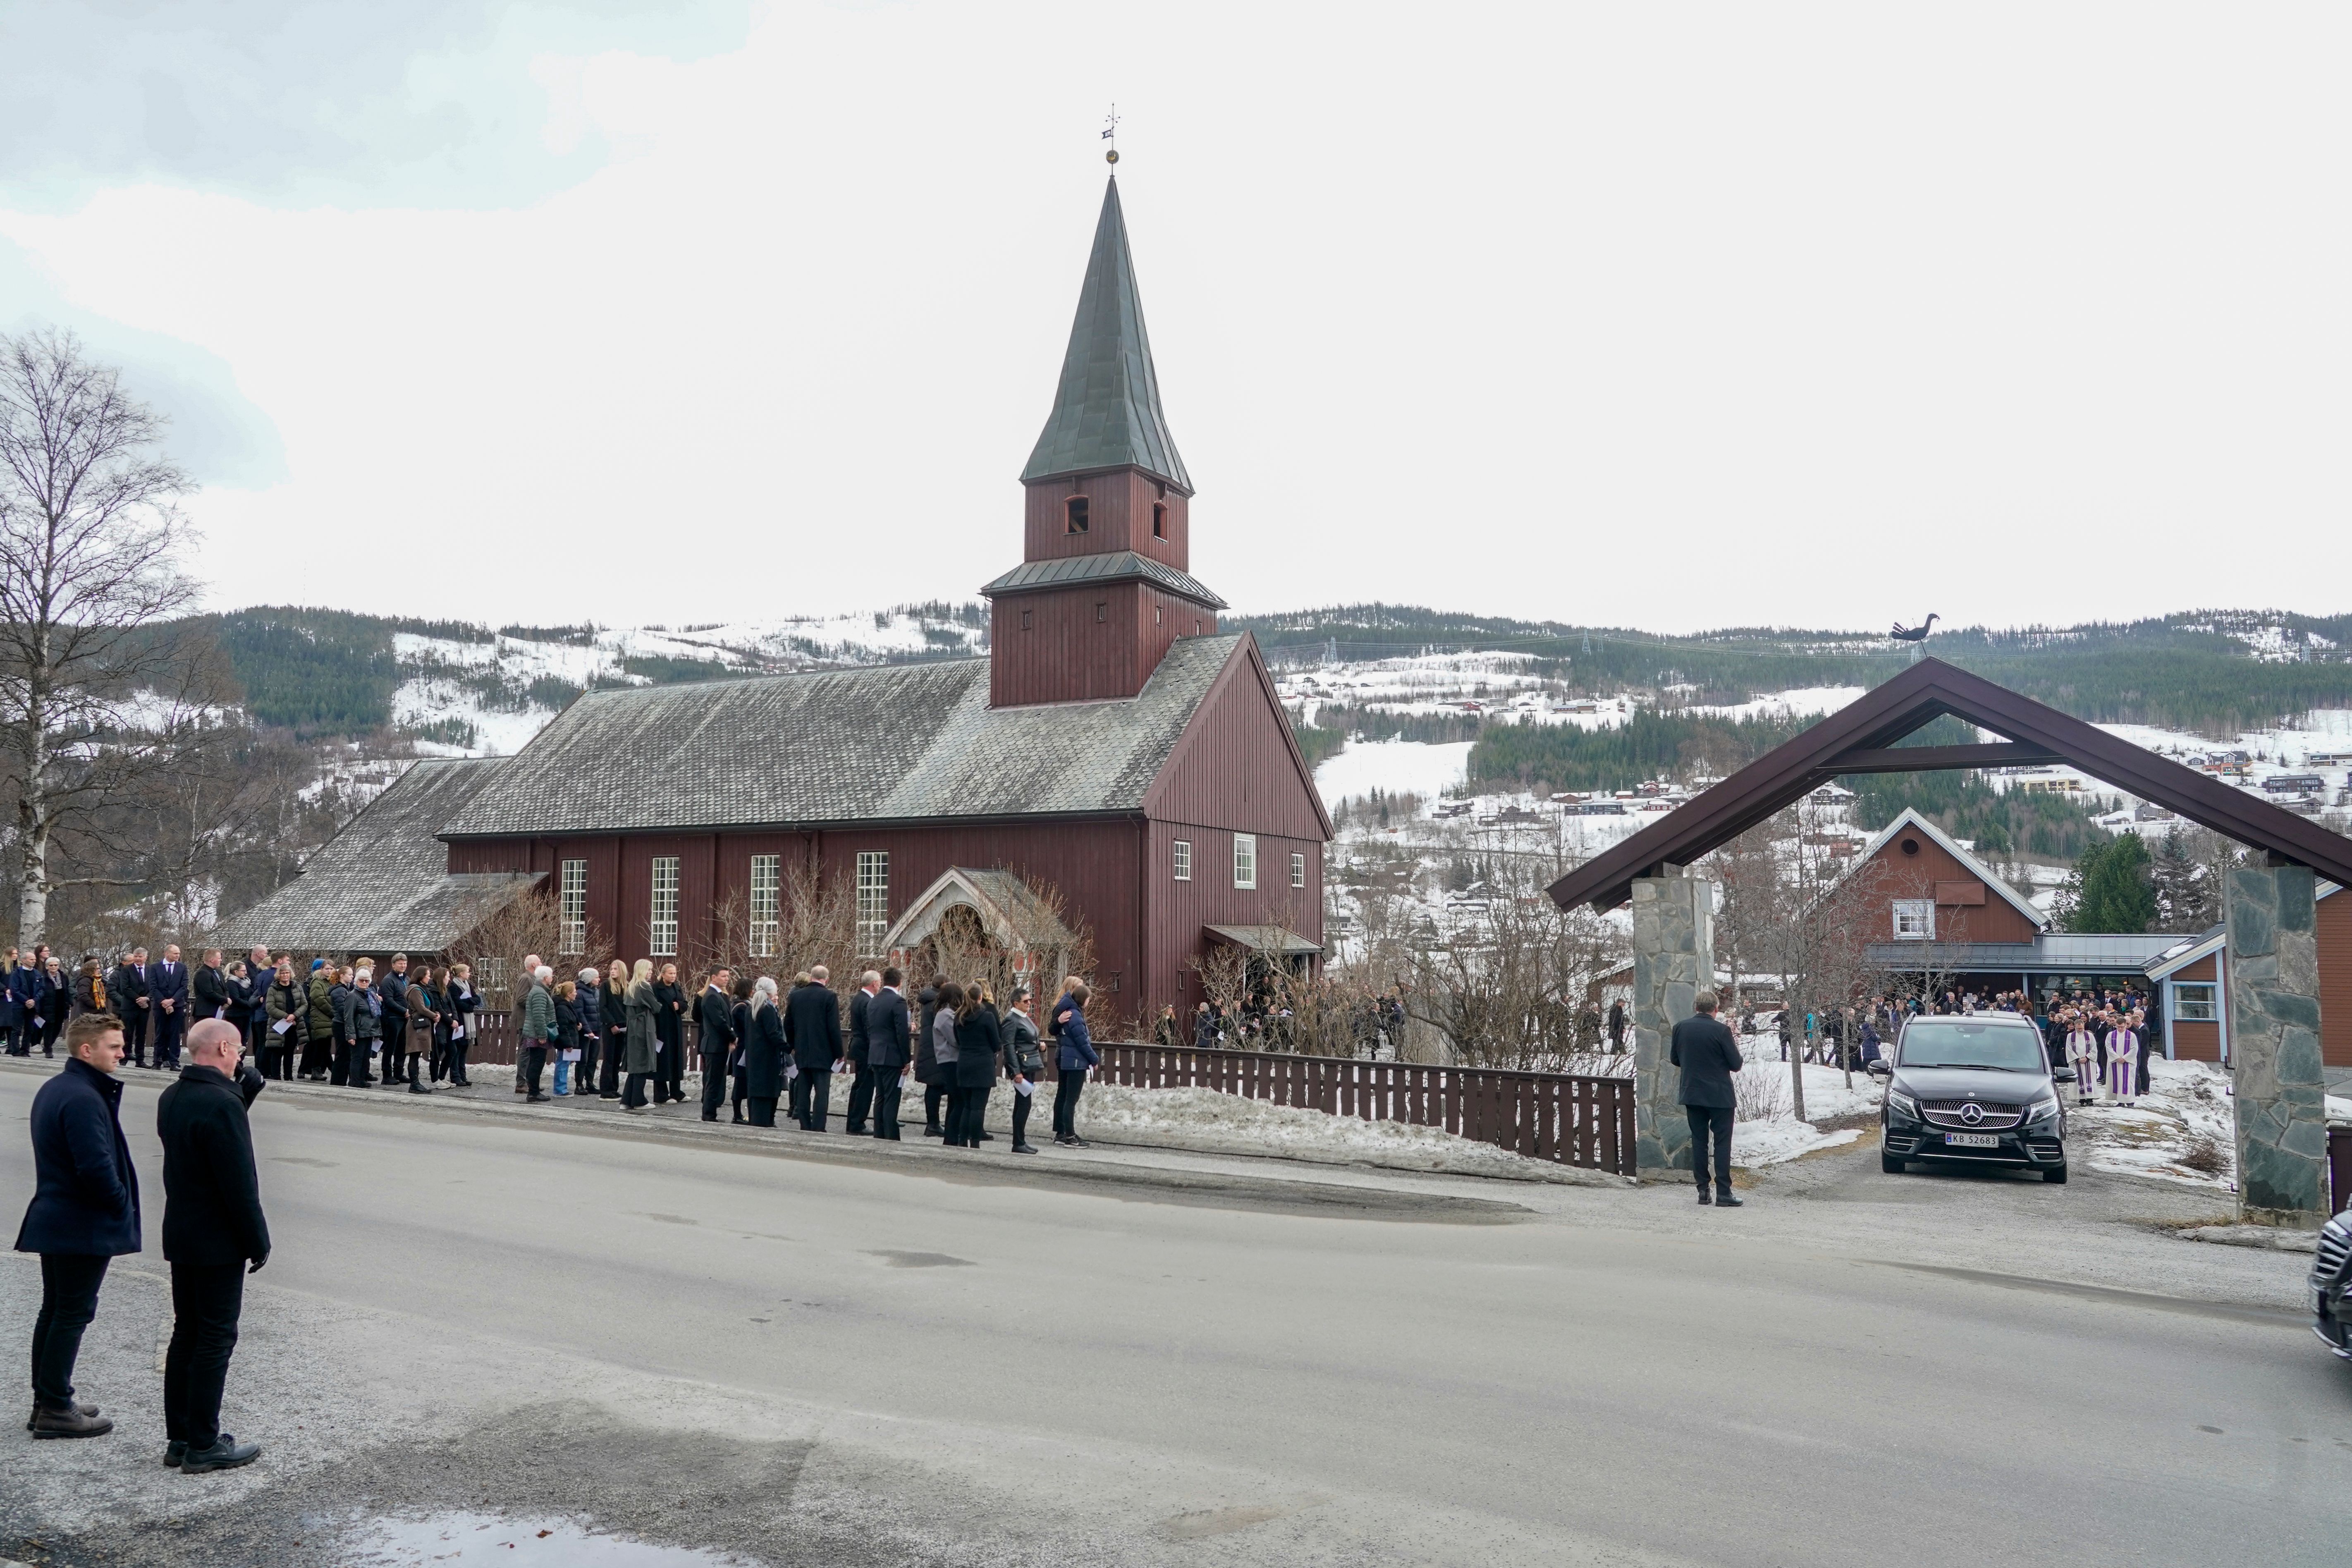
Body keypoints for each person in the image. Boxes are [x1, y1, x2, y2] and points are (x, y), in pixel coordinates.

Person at [15, 1011, 141, 1439]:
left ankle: (49, 1399)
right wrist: (120, 1202)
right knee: (70, 1313)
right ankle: (54, 1408)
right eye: (114, 1047)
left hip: (62, 1219)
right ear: (86, 1049)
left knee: (56, 1311)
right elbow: (94, 1167)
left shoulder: (61, 1087)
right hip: (80, 1224)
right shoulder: (84, 1096)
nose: (122, 1054)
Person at [156, 1018, 268, 1473]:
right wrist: (258, 1240)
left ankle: (180, 1438)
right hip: (217, 1239)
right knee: (215, 1338)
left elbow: (208, 1135)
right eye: (238, 1050)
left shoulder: (174, 1095)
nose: (241, 1057)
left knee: (187, 1333)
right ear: (223, 1047)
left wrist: (244, 1093)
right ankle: (204, 1443)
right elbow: (238, 1181)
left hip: (182, 1230)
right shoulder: (222, 1103)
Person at [1671, 990, 1743, 1208]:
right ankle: (1724, 1192)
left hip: (1692, 1092)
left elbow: (1675, 1059)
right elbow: (1736, 1064)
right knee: (1722, 1144)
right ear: (1716, 1009)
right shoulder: (1721, 1031)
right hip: (1719, 1095)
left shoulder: (1680, 1028)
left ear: (1696, 1008)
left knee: (1699, 1142)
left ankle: (1703, 1191)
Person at [787, 967, 842, 1131]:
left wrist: (791, 1045)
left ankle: (804, 1124)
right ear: (827, 979)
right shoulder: (829, 997)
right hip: (823, 1052)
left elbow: (788, 1024)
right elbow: (834, 1027)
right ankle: (819, 1126)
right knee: (822, 1092)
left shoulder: (796, 996)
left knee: (803, 1090)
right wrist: (839, 1052)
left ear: (811, 977)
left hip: (802, 1050)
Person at [949, 982, 1001, 1148]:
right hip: (983, 1064)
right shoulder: (987, 1017)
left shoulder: (959, 1017)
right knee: (979, 1107)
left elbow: (957, 1041)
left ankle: (962, 1140)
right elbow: (996, 1044)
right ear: (981, 997)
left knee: (967, 1106)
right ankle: (976, 1142)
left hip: (964, 1062)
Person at [867, 968, 910, 1140]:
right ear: (900, 982)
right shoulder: (898, 1002)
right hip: (892, 1056)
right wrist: (907, 1059)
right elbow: (902, 1032)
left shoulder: (873, 1001)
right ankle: (891, 1135)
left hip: (875, 1053)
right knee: (892, 1097)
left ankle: (879, 1133)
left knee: (880, 1097)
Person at [1052, 984, 1097, 1148]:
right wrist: (1094, 1059)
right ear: (1083, 999)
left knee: (1066, 1098)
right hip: (1076, 1063)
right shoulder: (1076, 1016)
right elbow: (1082, 1042)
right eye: (1088, 999)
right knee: (1071, 1100)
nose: (1089, 1002)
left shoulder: (1069, 1012)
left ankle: (1064, 1133)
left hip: (1067, 1060)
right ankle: (1070, 1136)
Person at [1001, 984, 1043, 1154]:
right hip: (1021, 1066)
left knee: (1024, 1103)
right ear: (1016, 1003)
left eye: (1030, 1000)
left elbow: (1027, 1038)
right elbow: (1009, 1046)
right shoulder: (1012, 1019)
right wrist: (1016, 1071)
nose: (1029, 1003)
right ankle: (1018, 1142)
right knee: (1023, 1104)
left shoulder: (1024, 1017)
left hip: (1029, 1063)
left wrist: (1039, 1046)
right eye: (1025, 1001)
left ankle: (1021, 1141)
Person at [741, 977, 786, 1126]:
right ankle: (766, 1121)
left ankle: (757, 1119)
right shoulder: (768, 1009)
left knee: (755, 1090)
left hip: (754, 1056)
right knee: (767, 1090)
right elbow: (773, 1034)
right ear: (771, 992)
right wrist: (787, 1047)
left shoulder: (752, 1008)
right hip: (767, 1057)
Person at [696, 967, 735, 1122]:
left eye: (728, 976)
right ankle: (709, 1114)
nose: (727, 979)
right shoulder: (711, 996)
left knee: (716, 1080)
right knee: (713, 1081)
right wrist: (732, 1037)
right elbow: (719, 1022)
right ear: (714, 978)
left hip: (718, 1045)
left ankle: (710, 1113)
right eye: (724, 976)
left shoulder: (718, 995)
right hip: (714, 1045)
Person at [844, 971, 880, 1135]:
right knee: (865, 1088)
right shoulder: (867, 1002)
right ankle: (857, 1123)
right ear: (874, 984)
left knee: (859, 1086)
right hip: (865, 1049)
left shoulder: (859, 998)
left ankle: (853, 1121)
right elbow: (869, 1029)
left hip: (858, 1047)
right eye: (879, 983)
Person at [928, 981, 964, 1140]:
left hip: (948, 1059)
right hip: (950, 1060)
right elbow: (955, 1040)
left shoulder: (944, 1013)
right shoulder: (946, 1015)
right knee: (958, 1100)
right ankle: (952, 1136)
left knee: (954, 1100)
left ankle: (952, 1135)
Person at [917, 980, 950, 1137]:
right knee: (935, 1087)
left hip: (927, 1047)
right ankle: (933, 1125)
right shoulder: (937, 1004)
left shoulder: (927, 1000)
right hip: (935, 1049)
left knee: (933, 1087)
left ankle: (933, 1123)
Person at [516, 965, 555, 1102]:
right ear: (546, 978)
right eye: (551, 976)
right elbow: (539, 1016)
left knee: (535, 1062)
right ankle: (533, 1092)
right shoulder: (539, 992)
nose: (552, 978)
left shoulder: (539, 990)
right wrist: (542, 1036)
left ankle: (534, 1091)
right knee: (537, 1063)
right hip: (536, 1035)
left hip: (534, 1033)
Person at [149, 944, 189, 1069]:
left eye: (179, 953)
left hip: (177, 1005)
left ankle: (174, 1062)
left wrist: (172, 1001)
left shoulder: (182, 968)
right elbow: (153, 987)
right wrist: (164, 1002)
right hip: (160, 1005)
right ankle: (157, 1061)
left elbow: (184, 987)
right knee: (160, 1033)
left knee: (175, 1034)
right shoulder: (155, 967)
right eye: (175, 953)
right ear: (167, 954)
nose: (178, 956)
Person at [107, 948, 149, 1066]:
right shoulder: (126, 970)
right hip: (129, 1006)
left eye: (140, 957)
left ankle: (140, 1060)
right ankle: (123, 1058)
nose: (138, 959)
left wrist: (146, 998)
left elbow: (154, 986)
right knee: (127, 1033)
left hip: (145, 1006)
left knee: (141, 1034)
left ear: (146, 957)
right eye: (136, 956)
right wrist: (138, 999)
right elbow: (125, 988)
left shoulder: (150, 970)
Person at [401, 966, 439, 1095]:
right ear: (421, 976)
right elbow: (421, 1008)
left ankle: (416, 1083)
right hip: (416, 1027)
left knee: (416, 1055)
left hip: (421, 1025)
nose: (429, 978)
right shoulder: (416, 990)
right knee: (415, 1055)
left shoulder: (422, 989)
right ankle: (414, 1084)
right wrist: (434, 1016)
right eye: (428, 975)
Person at [655, 963, 688, 1105]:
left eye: (675, 974)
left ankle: (676, 1092)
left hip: (675, 1027)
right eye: (670, 974)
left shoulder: (677, 987)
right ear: (663, 974)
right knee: (662, 1061)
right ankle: (661, 1094)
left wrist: (679, 1006)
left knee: (676, 1059)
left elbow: (684, 1003)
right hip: (662, 1028)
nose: (673, 976)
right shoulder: (656, 988)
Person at [441, 963, 479, 1086]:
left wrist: (469, 1002)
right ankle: (455, 1076)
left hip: (469, 1021)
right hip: (460, 1021)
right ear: (462, 973)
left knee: (464, 1049)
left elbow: (477, 999)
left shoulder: (469, 985)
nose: (469, 974)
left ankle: (463, 1075)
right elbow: (458, 1004)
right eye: (468, 972)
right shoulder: (454, 987)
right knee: (457, 1049)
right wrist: (470, 1005)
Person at [574, 967, 605, 1096]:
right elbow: (580, 1014)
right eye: (596, 977)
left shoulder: (596, 992)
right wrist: (588, 1030)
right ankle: (579, 1084)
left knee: (593, 1058)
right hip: (586, 1032)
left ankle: (590, 1083)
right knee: (583, 1059)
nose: (599, 979)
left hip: (597, 1029)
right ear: (589, 979)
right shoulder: (580, 993)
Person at [729, 975, 755, 1122]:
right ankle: (737, 1115)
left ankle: (739, 1114)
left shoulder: (737, 1003)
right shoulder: (742, 1007)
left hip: (741, 1047)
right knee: (740, 1082)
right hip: (743, 1048)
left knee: (742, 1081)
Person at [552, 978, 581, 1097]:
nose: (576, 993)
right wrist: (568, 1044)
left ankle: (562, 1088)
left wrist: (577, 1025)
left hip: (568, 1040)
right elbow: (563, 1028)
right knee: (562, 1065)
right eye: (574, 991)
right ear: (569, 994)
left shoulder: (567, 1005)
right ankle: (560, 1089)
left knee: (564, 1064)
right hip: (565, 1042)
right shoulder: (563, 1008)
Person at [194, 949, 231, 1027]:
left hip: (219, 1010)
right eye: (219, 958)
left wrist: (226, 1000)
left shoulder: (218, 972)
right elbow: (208, 993)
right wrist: (225, 1000)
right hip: (206, 1012)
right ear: (212, 960)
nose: (221, 960)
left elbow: (225, 989)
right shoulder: (203, 973)